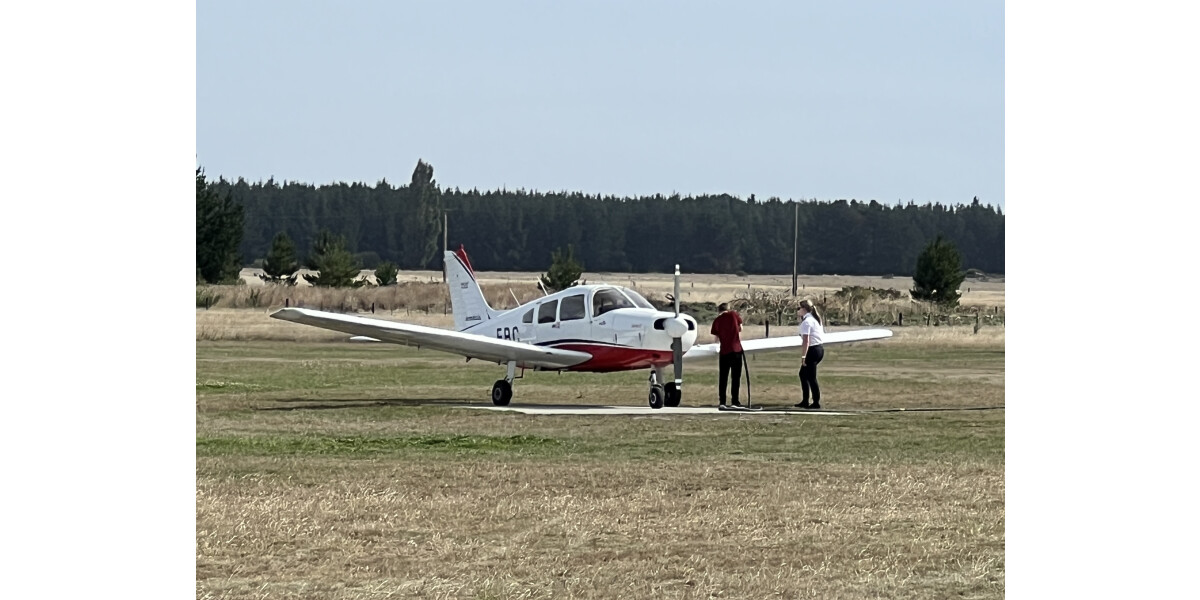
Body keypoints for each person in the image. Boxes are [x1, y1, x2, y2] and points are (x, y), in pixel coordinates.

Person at [710, 302, 744, 408]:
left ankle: (722, 402)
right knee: (736, 377)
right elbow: (741, 328)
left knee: (723, 377)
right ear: (728, 309)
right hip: (737, 350)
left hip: (724, 351)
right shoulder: (734, 315)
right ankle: (735, 401)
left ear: (719, 310)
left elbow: (716, 338)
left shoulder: (717, 321)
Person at [795, 299, 825, 409]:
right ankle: (805, 400)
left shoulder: (807, 322)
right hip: (819, 349)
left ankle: (816, 402)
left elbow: (806, 341)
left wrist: (803, 356)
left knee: (811, 377)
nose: (797, 311)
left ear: (804, 309)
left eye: (799, 308)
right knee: (803, 374)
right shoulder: (815, 319)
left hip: (812, 350)